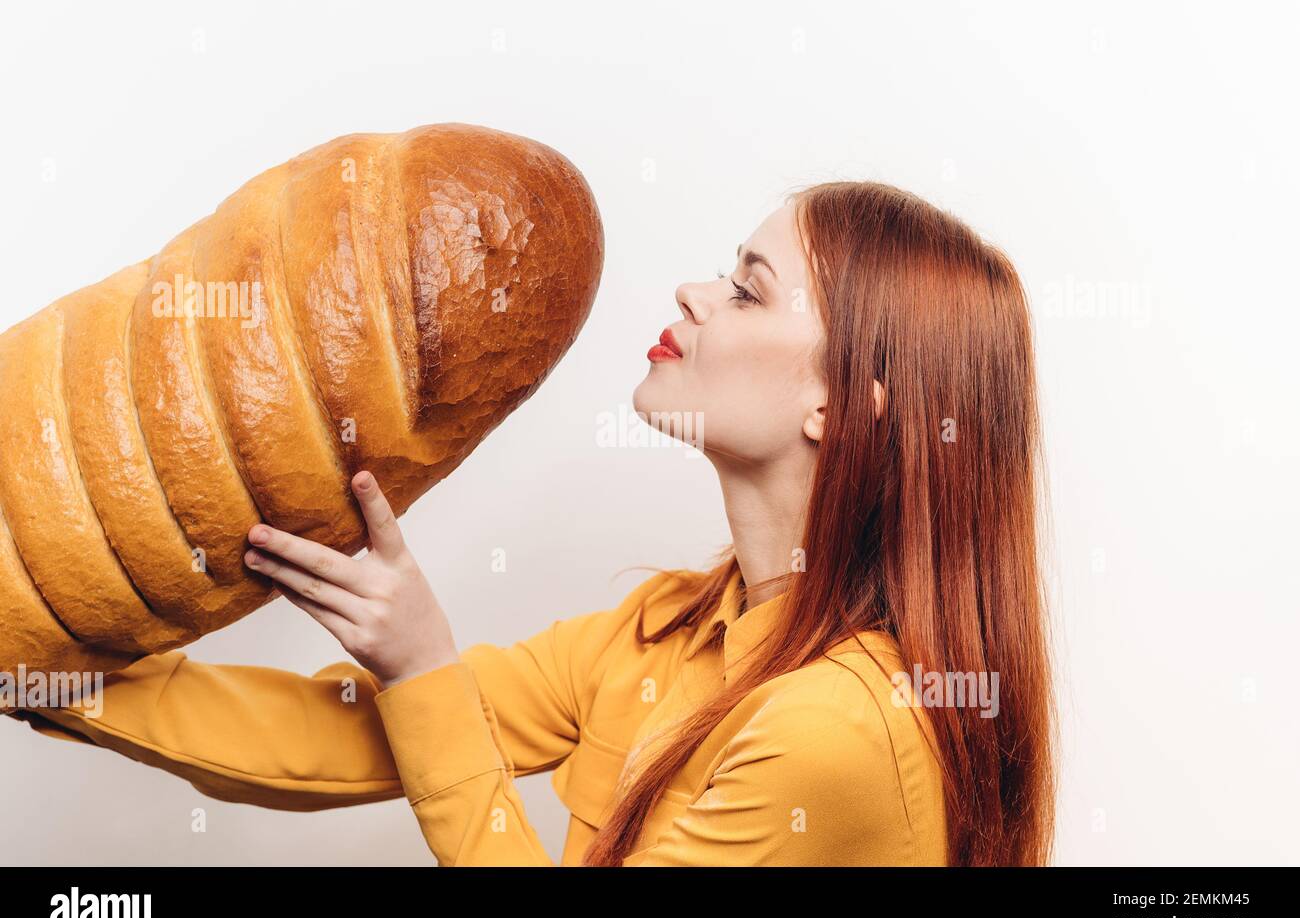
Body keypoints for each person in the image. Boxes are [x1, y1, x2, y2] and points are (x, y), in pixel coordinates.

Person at [13, 181, 1055, 866]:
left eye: (746, 290)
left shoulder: (836, 732)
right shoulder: (668, 629)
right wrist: (35, 665)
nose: (693, 293)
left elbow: (427, 712)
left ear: (842, 403)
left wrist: (420, 664)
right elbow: (341, 739)